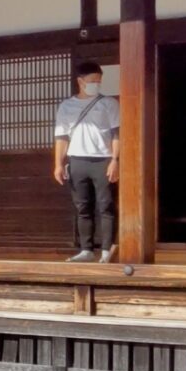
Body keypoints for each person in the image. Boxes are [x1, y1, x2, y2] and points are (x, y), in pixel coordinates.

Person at [54, 60, 121, 263]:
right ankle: (86, 250)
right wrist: (58, 163)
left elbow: (117, 133)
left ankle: (107, 250)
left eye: (99, 81)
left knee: (106, 206)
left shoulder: (109, 103)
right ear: (80, 81)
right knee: (82, 207)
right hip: (77, 160)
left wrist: (115, 160)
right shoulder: (67, 106)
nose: (96, 85)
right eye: (92, 81)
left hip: (103, 159)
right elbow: (61, 136)